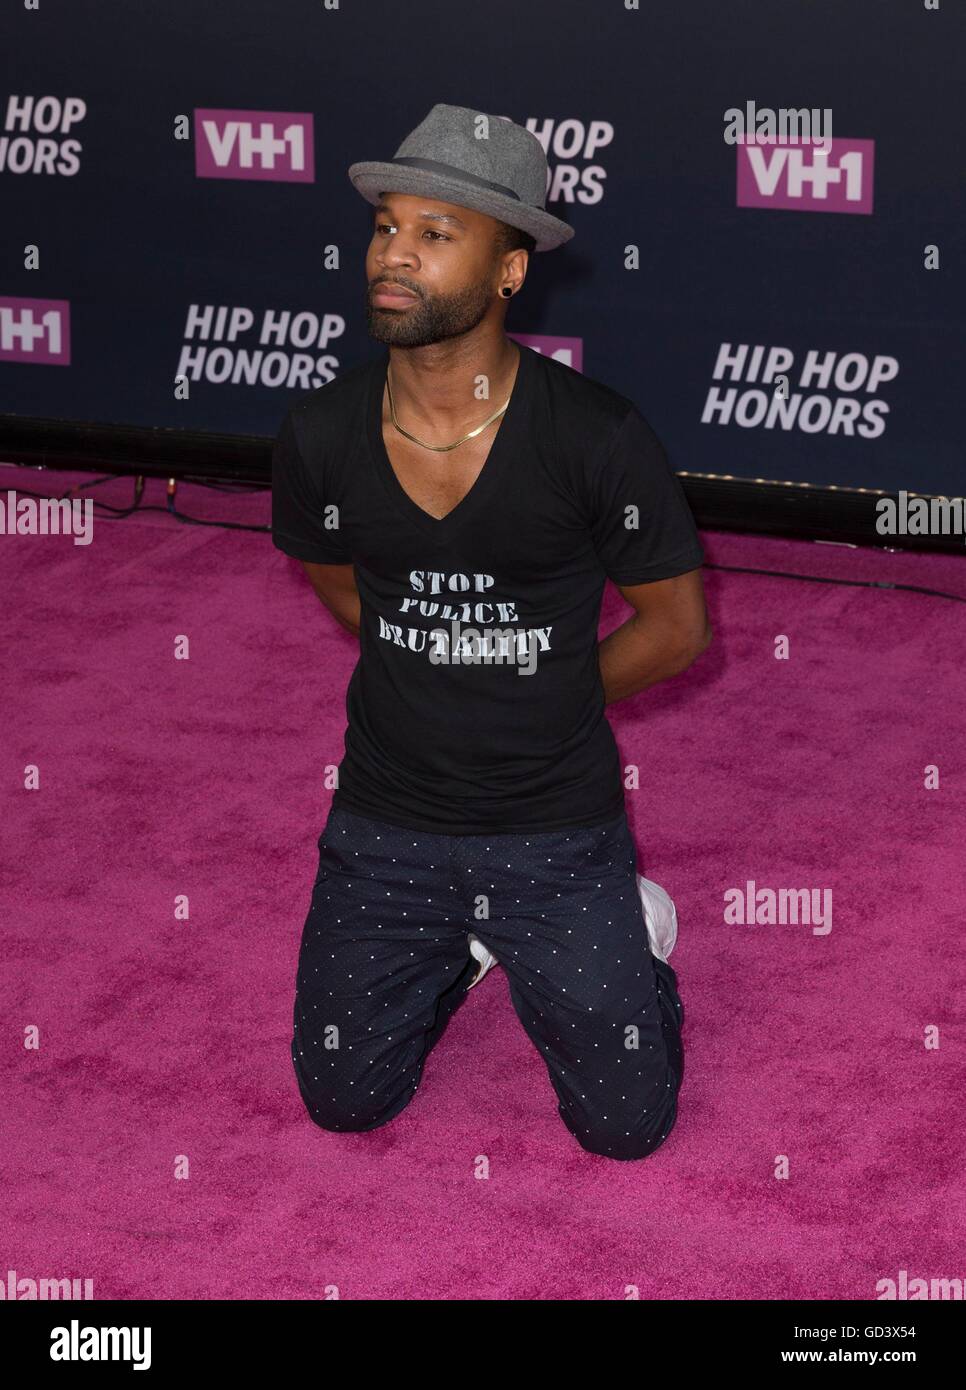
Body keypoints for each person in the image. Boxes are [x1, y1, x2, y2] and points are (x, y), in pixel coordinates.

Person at [271, 103, 711, 1160]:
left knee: (624, 1129)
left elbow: (677, 626)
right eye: (388, 226)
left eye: (436, 232)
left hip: (554, 830)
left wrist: (544, 693)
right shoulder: (321, 432)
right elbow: (333, 574)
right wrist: (434, 663)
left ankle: (635, 931)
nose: (394, 253)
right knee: (345, 1097)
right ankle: (464, 955)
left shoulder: (596, 436)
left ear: (510, 268)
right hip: (385, 826)